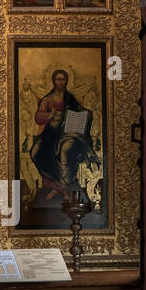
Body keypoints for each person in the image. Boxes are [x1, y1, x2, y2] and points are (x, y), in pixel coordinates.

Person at [29, 68, 99, 203]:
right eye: (58, 79)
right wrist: (50, 115)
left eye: (63, 79)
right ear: (53, 81)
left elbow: (79, 111)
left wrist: (87, 114)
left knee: (65, 149)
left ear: (67, 81)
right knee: (35, 151)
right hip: (50, 135)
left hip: (68, 133)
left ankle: (62, 187)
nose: (61, 82)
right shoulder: (47, 100)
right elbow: (38, 117)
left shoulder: (70, 99)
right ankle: (58, 187)